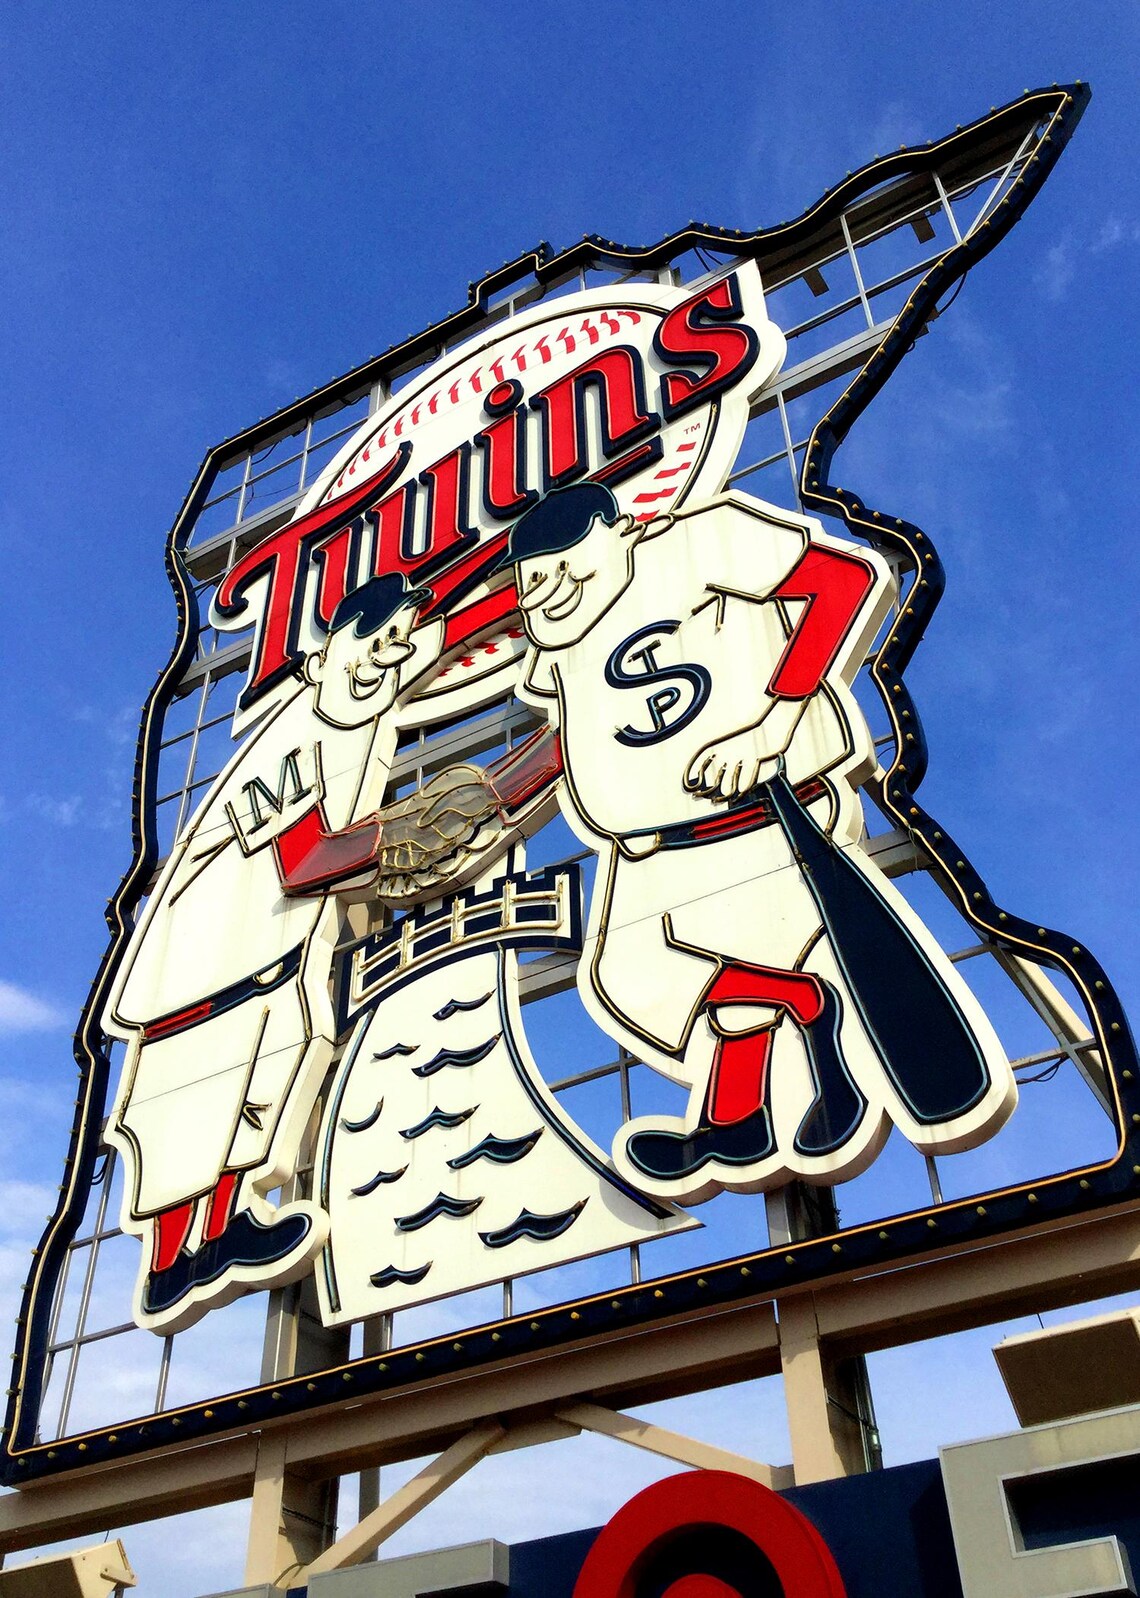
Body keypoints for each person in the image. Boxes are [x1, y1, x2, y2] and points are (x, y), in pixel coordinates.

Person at [483, 481, 1017, 1202]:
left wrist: (776, 719)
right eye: (535, 581)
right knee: (637, 982)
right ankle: (755, 1094)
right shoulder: (562, 644)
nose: (550, 593)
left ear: (620, 532)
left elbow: (844, 578)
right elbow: (579, 738)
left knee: (666, 973)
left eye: (568, 569)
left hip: (762, 818)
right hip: (650, 847)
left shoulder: (700, 541)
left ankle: (773, 1069)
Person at [103, 573, 458, 1330]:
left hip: (274, 956)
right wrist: (409, 834)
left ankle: (224, 1227)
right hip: (202, 974)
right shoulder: (298, 734)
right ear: (325, 654)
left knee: (278, 1069)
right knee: (199, 1109)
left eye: (398, 648)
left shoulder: (353, 727)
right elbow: (303, 860)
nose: (381, 662)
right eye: (371, 643)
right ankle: (172, 1261)